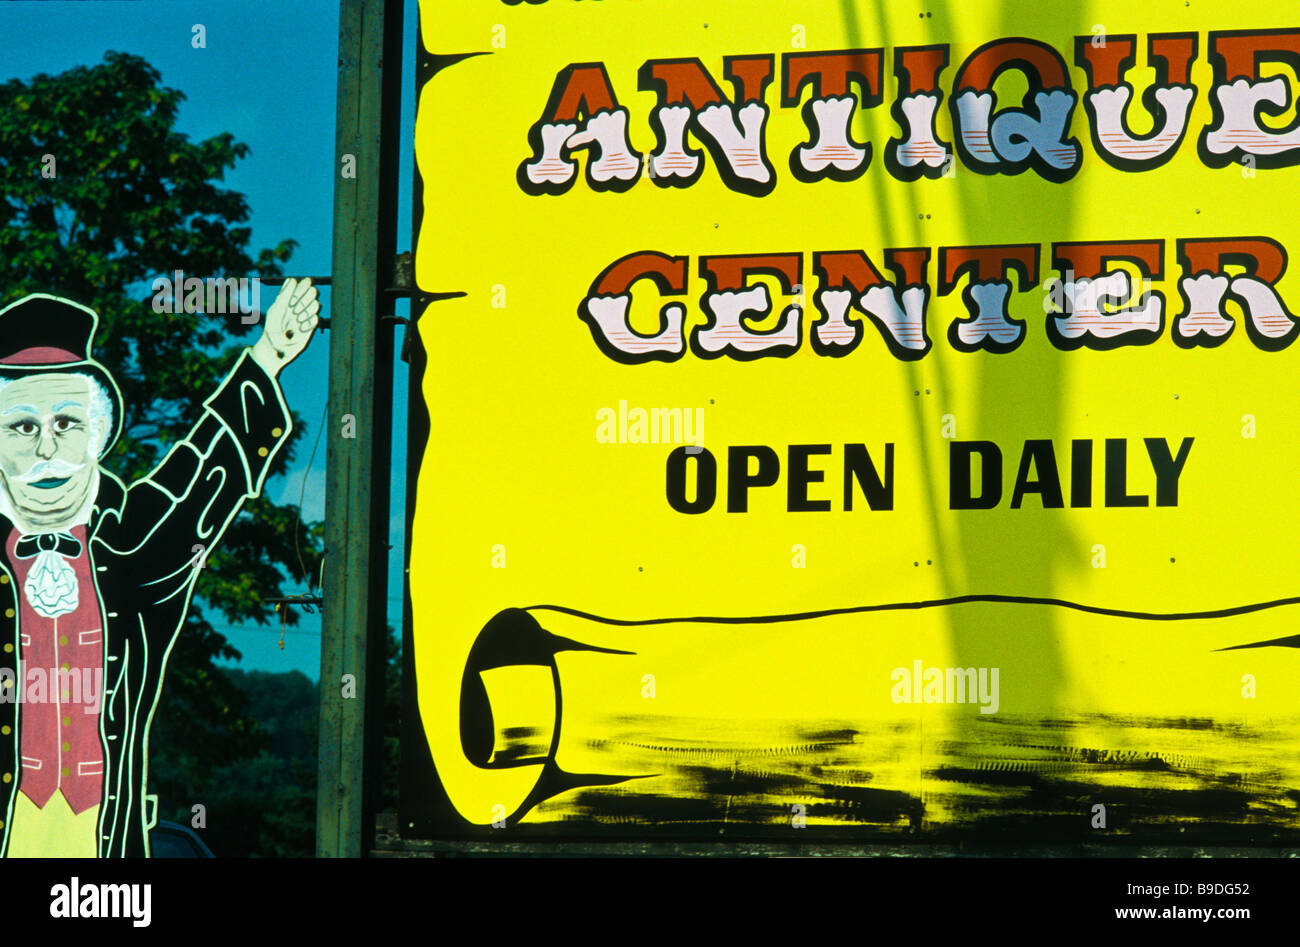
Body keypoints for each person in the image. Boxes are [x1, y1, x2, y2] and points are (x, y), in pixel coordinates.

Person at [0, 279, 319, 857]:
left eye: (67, 423)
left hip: (105, 836)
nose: (47, 448)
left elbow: (196, 479)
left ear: (98, 434)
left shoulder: (130, 545)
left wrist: (269, 355)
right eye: (22, 426)